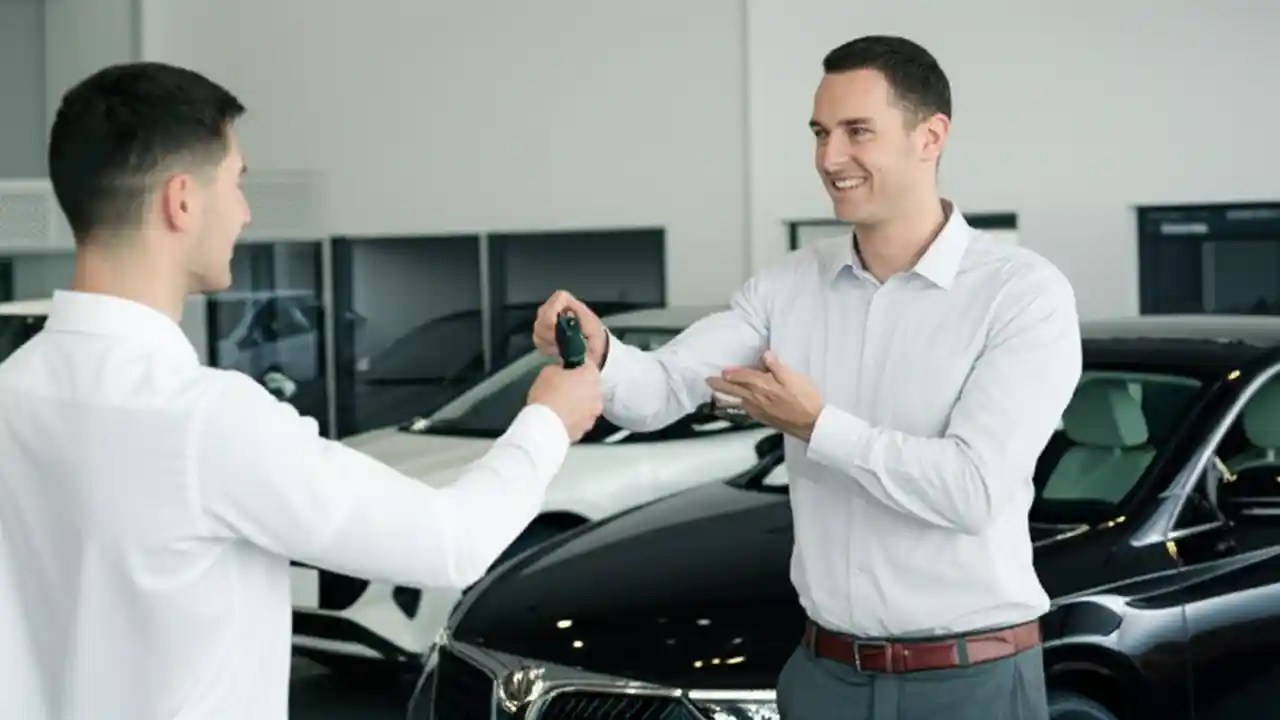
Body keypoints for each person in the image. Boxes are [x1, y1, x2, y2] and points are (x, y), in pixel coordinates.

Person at [0, 62, 603, 720]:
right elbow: (449, 541)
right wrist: (549, 419)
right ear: (182, 200)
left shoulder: (13, 393)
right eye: (237, 181)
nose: (246, 211)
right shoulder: (206, 420)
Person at [534, 35, 1081, 720]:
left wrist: (818, 426)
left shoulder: (1021, 294)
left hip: (969, 681)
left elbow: (971, 490)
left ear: (930, 136)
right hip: (823, 679)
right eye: (820, 133)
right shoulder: (790, 285)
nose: (829, 158)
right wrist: (601, 346)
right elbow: (659, 393)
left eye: (857, 132)